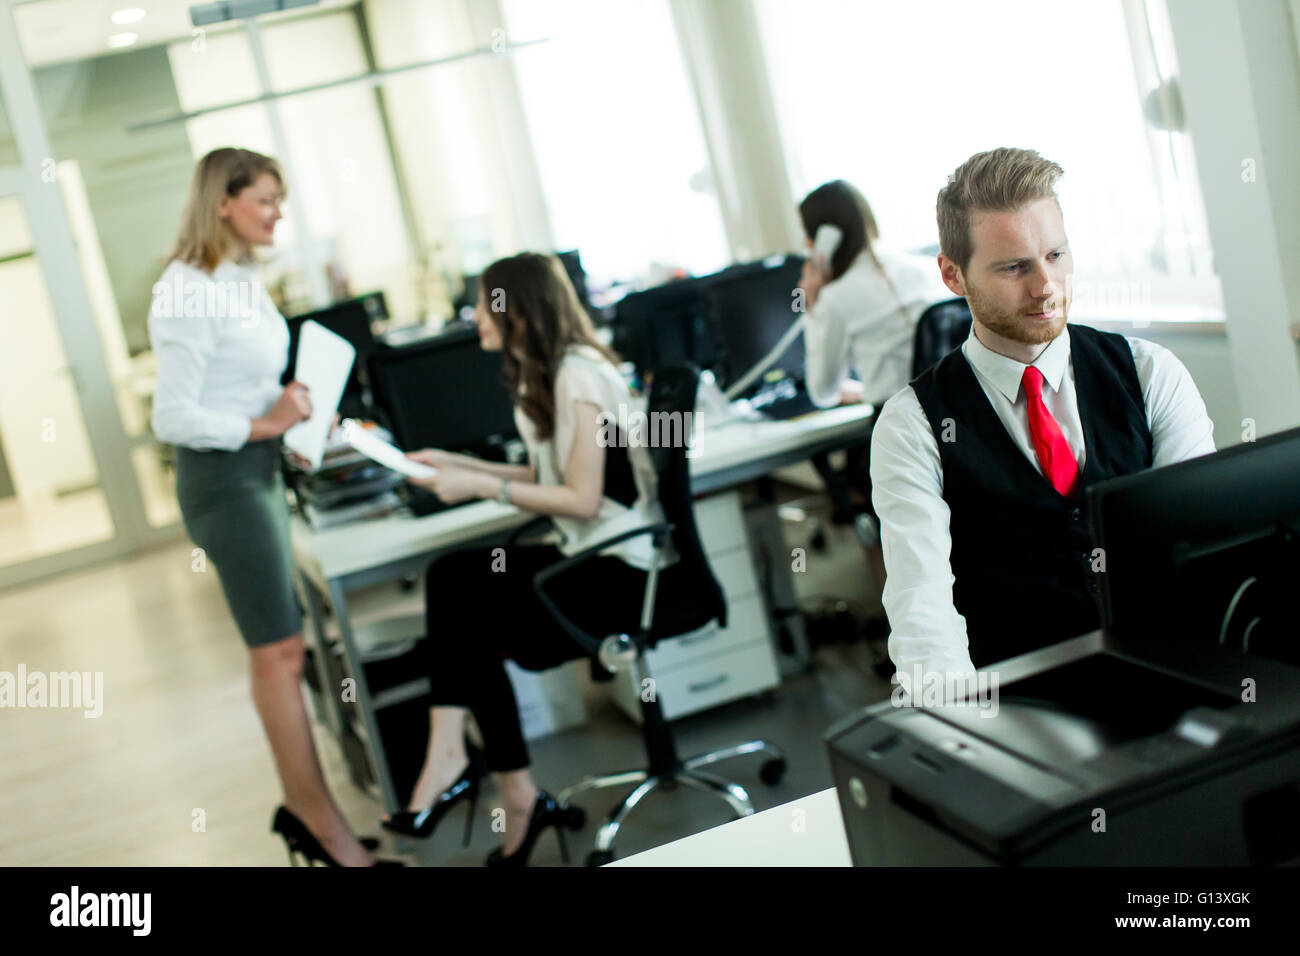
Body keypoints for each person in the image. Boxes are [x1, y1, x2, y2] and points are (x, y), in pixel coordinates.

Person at [870, 147, 1216, 687]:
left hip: (1170, 674)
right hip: (1021, 703)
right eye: (1014, 267)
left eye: (1055, 255)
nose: (1045, 286)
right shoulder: (911, 425)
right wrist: (961, 726)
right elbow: (924, 613)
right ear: (953, 275)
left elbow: (1203, 549)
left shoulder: (1151, 374)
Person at [381, 252, 672, 866]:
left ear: (518, 311)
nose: (475, 316)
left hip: (619, 575)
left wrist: (482, 487)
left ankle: (486, 779)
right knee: (455, 584)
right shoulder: (552, 373)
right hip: (589, 557)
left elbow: (582, 498)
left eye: (485, 304)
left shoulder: (576, 377)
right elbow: (553, 477)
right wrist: (461, 465)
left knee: (465, 609)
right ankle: (481, 774)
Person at [149, 147, 391, 867]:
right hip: (224, 483)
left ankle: (311, 813)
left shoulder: (237, 278)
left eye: (279, 199)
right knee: (278, 653)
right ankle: (317, 822)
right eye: (265, 199)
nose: (277, 212)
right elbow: (173, 416)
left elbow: (244, 385)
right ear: (221, 202)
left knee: (287, 648)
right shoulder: (186, 288)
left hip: (256, 470)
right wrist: (269, 424)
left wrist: (297, 419)